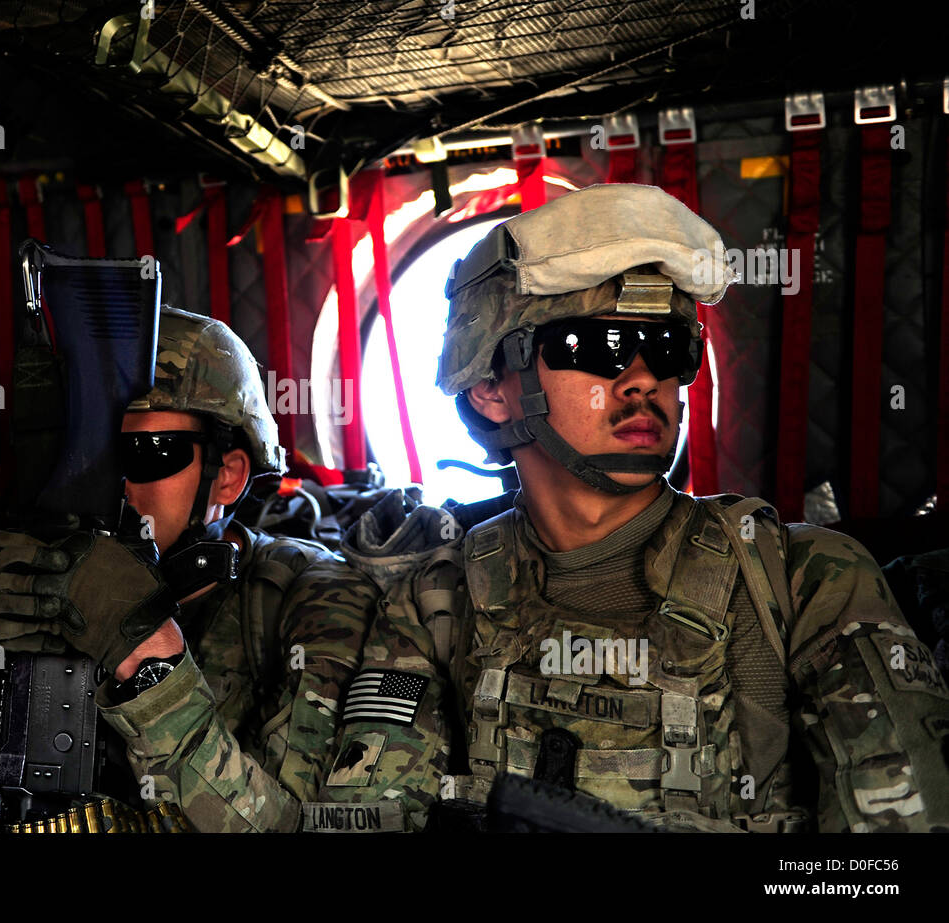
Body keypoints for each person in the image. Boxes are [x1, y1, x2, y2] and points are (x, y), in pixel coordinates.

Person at [320, 183, 949, 832]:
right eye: (599, 348)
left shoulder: (801, 577)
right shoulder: (433, 600)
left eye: (670, 349)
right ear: (491, 389)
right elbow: (364, 816)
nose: (644, 379)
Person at [0, 307, 378, 832]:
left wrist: (148, 660)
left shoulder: (310, 601)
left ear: (226, 478)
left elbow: (293, 827)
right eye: (91, 454)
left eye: (148, 452)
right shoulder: (29, 581)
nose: (115, 485)